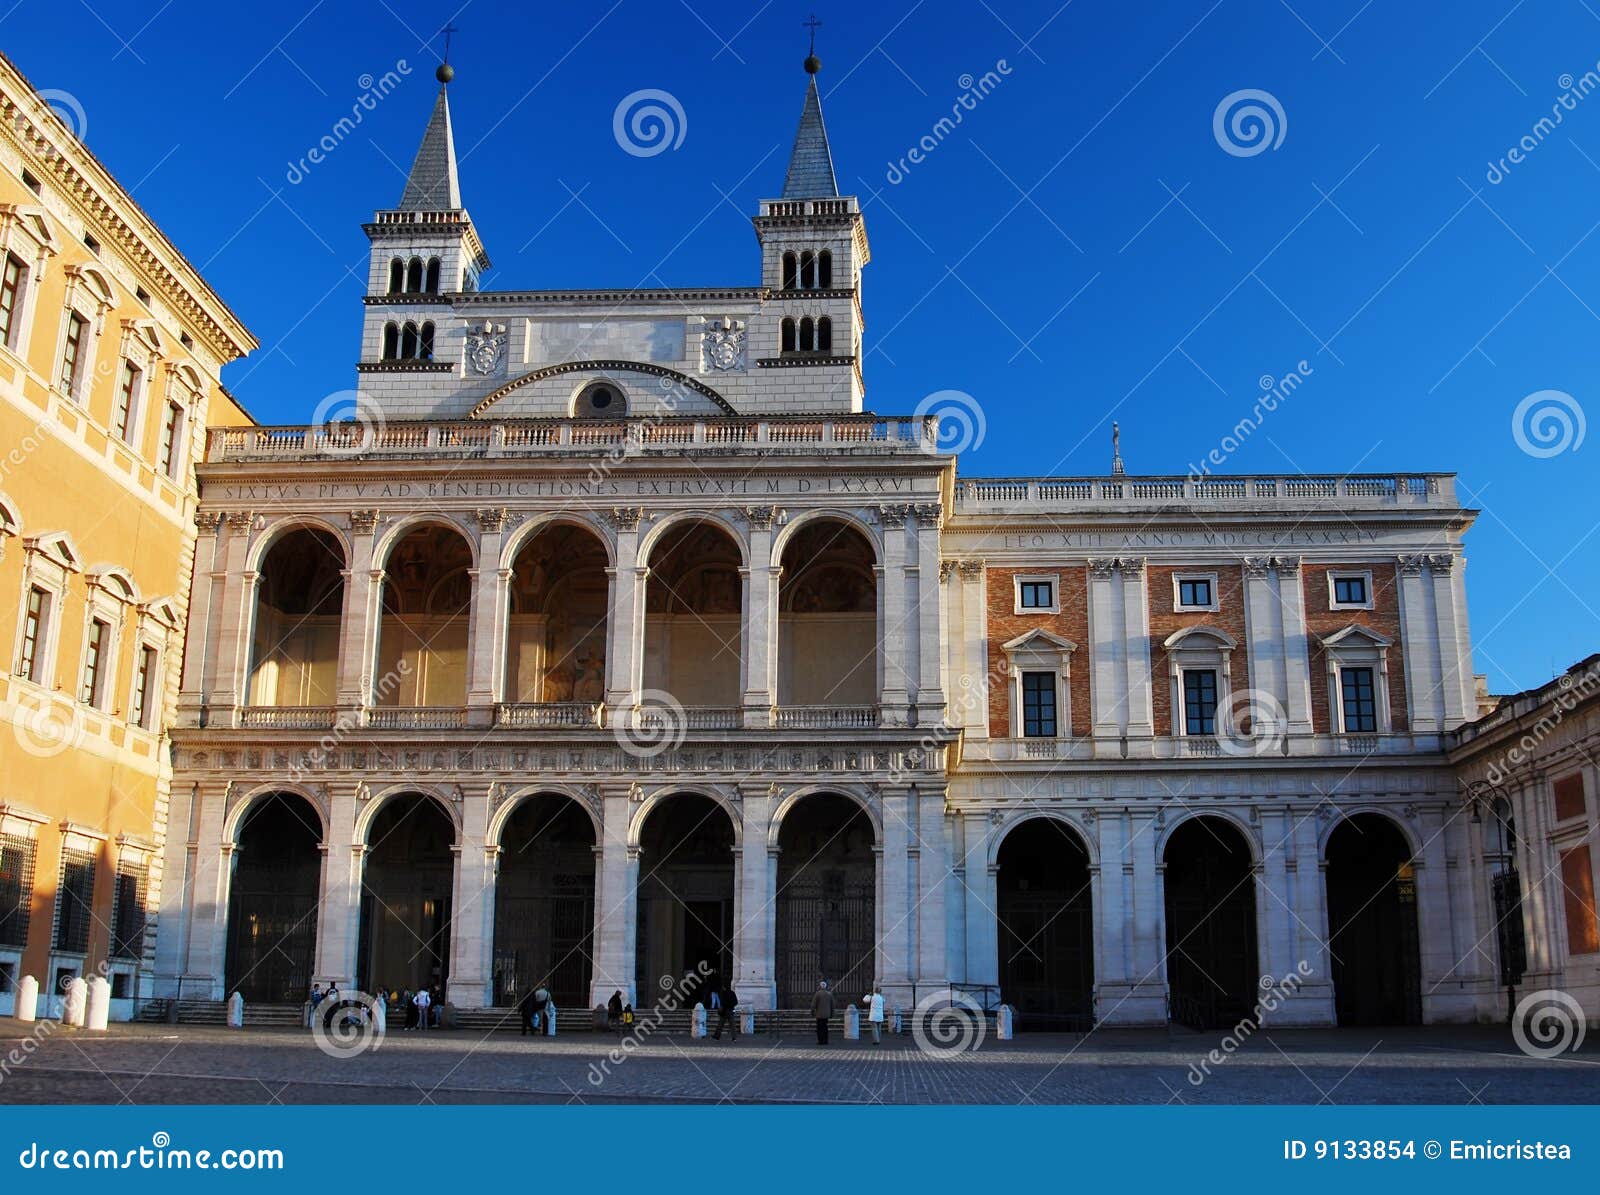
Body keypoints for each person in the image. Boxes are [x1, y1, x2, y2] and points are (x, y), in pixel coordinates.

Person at [811, 980, 833, 1045]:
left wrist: (812, 1011)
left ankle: (820, 1040)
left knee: (819, 1028)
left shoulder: (817, 994)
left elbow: (813, 1004)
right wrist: (832, 1014)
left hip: (819, 1014)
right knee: (825, 1027)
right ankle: (825, 1040)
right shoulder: (829, 994)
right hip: (827, 1014)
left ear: (820, 987)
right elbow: (832, 1005)